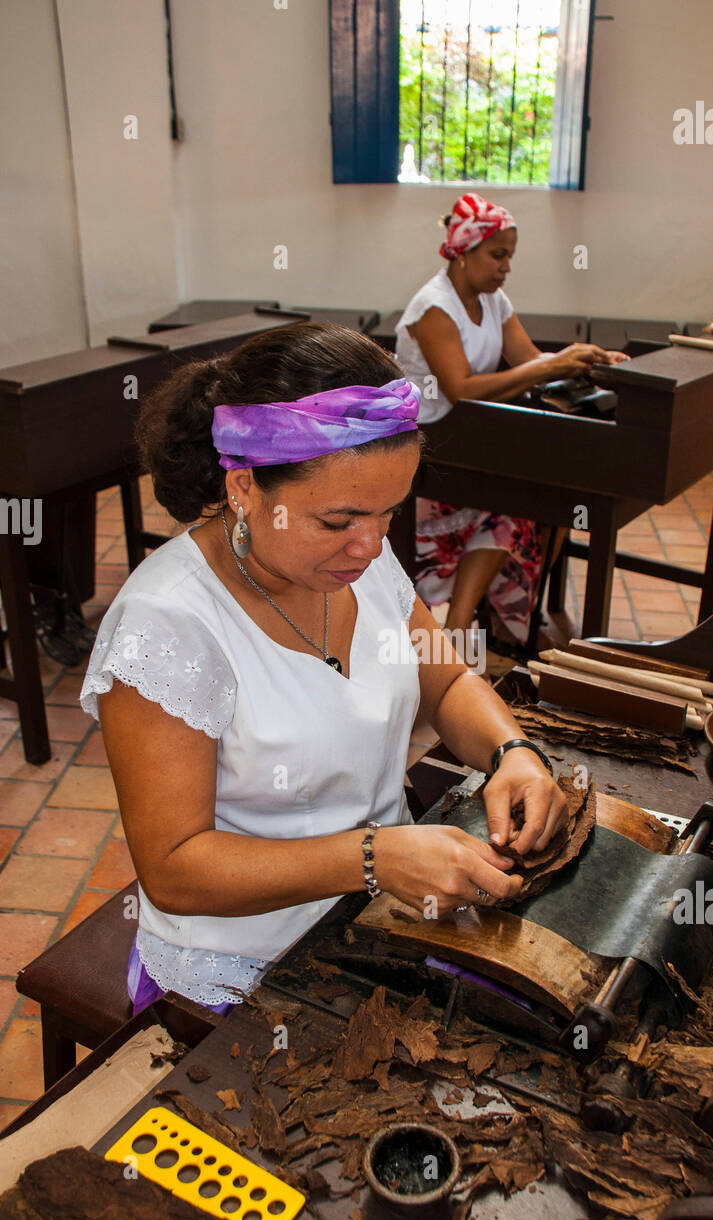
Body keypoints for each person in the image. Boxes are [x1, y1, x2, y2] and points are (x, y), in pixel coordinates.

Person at [79, 322, 568, 1013]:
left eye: (389, 513)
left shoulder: (360, 557)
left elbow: (448, 680)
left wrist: (511, 752)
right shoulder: (167, 625)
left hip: (377, 914)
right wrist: (375, 857)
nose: (370, 545)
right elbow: (175, 870)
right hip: (248, 957)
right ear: (244, 488)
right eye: (338, 521)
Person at [395, 193, 627, 646]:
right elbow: (460, 389)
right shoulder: (434, 308)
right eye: (497, 255)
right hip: (428, 450)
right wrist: (554, 364)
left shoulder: (493, 300)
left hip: (470, 438)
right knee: (519, 501)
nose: (506, 267)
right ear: (463, 252)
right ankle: (459, 629)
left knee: (553, 498)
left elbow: (529, 360)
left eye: (510, 257)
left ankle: (501, 624)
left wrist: (585, 363)